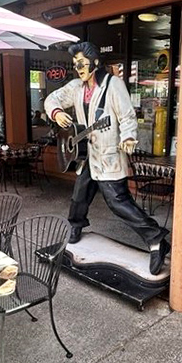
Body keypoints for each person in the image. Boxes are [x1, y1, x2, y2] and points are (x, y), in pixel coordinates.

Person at [45, 41, 170, 275]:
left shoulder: (114, 85)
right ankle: (76, 225)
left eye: (81, 63)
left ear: (94, 62)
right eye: (74, 64)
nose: (77, 68)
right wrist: (57, 112)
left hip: (108, 156)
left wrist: (130, 137)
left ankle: (156, 240)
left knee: (118, 202)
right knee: (79, 196)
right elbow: (52, 99)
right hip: (87, 156)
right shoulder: (75, 87)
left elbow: (128, 116)